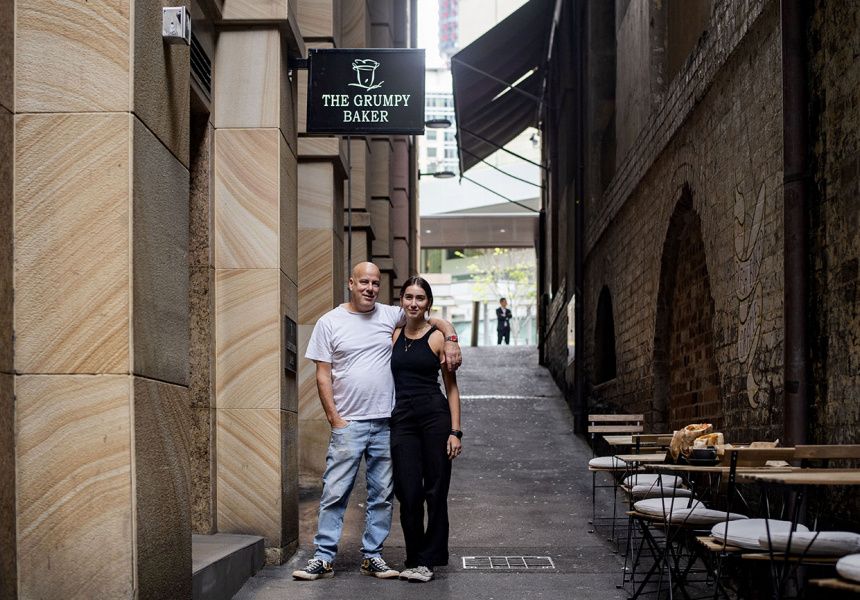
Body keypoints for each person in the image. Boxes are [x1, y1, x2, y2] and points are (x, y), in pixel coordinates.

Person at [292, 262, 461, 581]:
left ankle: (373, 556)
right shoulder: (330, 322)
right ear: (351, 283)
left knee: (382, 494)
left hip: (387, 422)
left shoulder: (390, 315)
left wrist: (450, 336)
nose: (369, 288)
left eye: (375, 283)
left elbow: (427, 319)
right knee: (335, 491)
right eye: (364, 282)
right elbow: (322, 373)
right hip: (350, 423)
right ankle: (324, 556)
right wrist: (335, 419)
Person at [390, 277, 462, 583]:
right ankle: (414, 557)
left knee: (435, 489)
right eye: (409, 297)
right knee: (408, 491)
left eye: (420, 298)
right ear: (402, 300)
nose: (414, 303)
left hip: (434, 415)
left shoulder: (436, 338)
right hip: (403, 418)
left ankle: (428, 560)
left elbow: (452, 388)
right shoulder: (393, 334)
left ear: (427, 303)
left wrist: (455, 432)